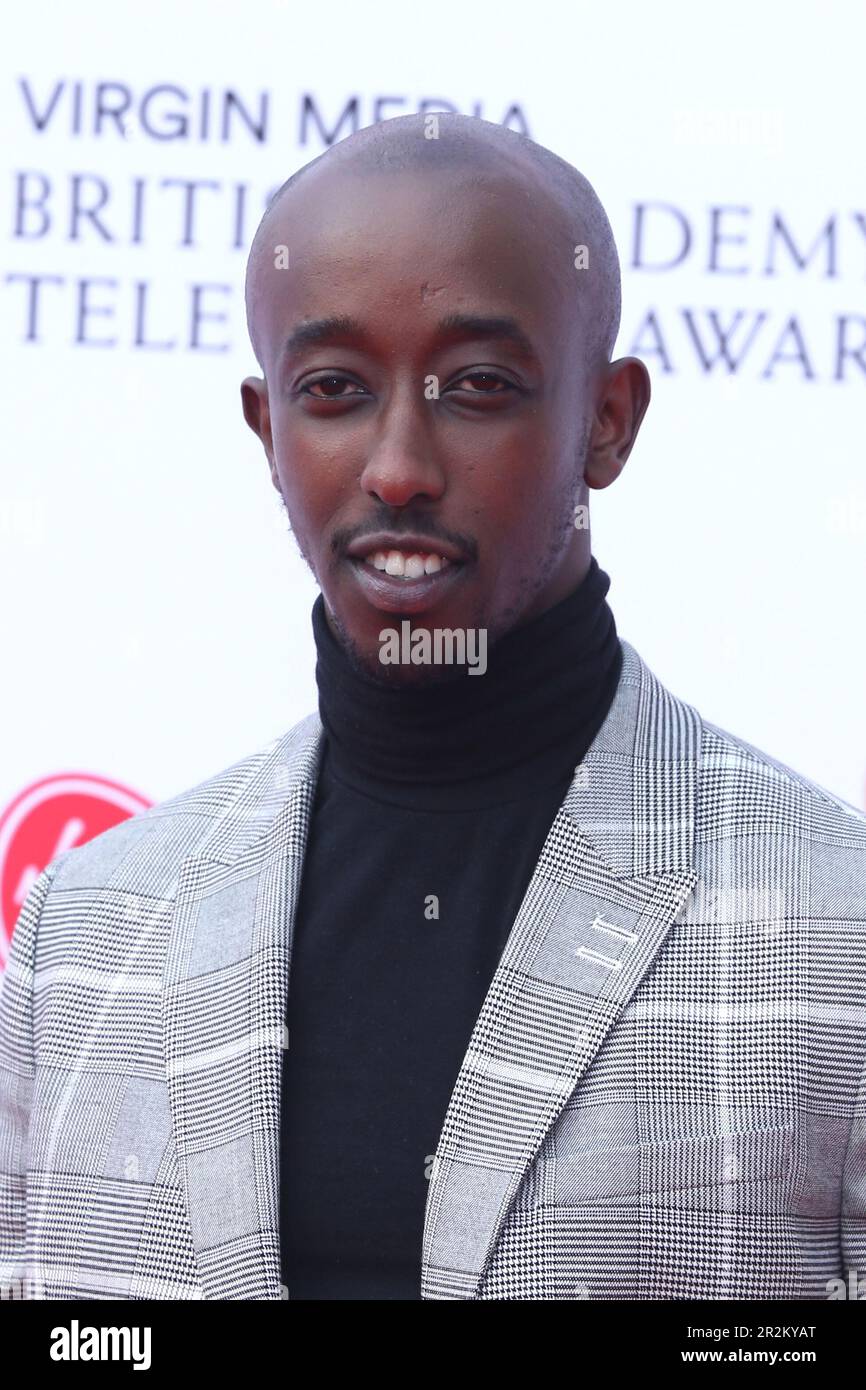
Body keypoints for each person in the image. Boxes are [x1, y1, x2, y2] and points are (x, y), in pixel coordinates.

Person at [1, 113, 865, 1302]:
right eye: (335, 389)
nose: (397, 464)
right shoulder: (84, 934)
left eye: (477, 386)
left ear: (605, 421)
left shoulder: (838, 926)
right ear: (268, 429)